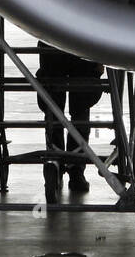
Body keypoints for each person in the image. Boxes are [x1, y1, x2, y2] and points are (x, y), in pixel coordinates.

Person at [36, 43, 103, 192]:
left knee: (53, 105)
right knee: (80, 107)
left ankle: (55, 160)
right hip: (83, 43)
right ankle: (76, 169)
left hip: (51, 41)